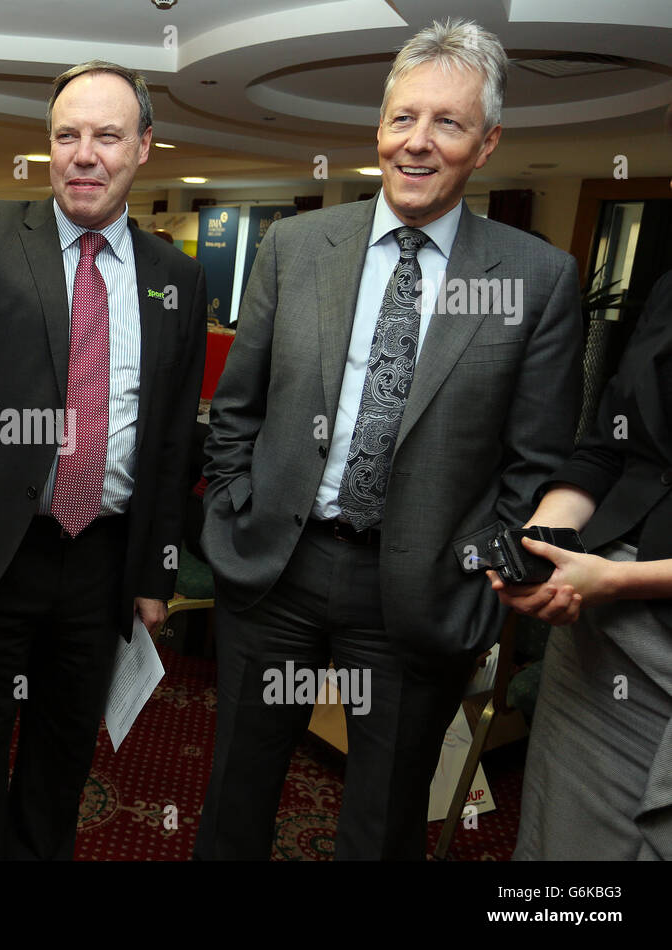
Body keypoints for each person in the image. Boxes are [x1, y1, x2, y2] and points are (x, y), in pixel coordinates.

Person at [196, 17, 583, 860]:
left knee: (382, 827)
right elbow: (237, 409)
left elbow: (537, 461)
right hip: (276, 572)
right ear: (378, 128)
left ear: (487, 144)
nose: (418, 142)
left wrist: (477, 578)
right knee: (235, 800)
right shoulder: (299, 248)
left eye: (448, 122)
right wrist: (234, 510)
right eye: (402, 118)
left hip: (419, 596)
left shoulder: (535, 278)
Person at [0, 60, 207, 859]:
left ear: (144, 147)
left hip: (102, 560)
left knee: (61, 758)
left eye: (107, 136)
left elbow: (166, 443)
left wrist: (156, 573)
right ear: (49, 147)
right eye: (67, 136)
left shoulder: (177, 280)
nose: (84, 154)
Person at [490, 125, 672, 856]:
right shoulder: (668, 286)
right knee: (563, 851)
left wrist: (623, 579)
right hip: (601, 632)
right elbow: (607, 446)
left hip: (630, 591)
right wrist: (548, 539)